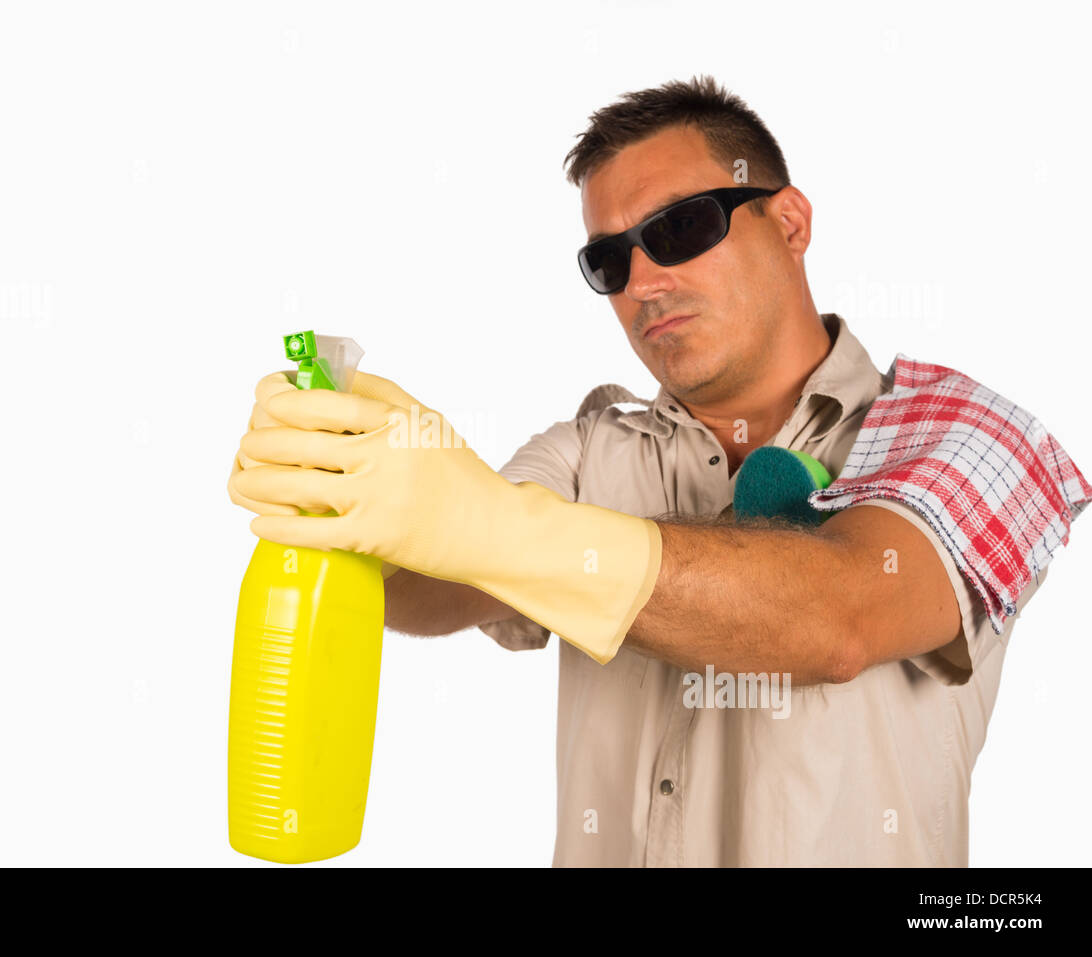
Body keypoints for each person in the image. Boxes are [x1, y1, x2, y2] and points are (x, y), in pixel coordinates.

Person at [228, 76, 1088, 866]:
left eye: (680, 228)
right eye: (609, 260)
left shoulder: (970, 434)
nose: (643, 281)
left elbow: (840, 615)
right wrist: (346, 501)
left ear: (789, 221)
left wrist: (483, 525)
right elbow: (449, 580)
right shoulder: (590, 450)